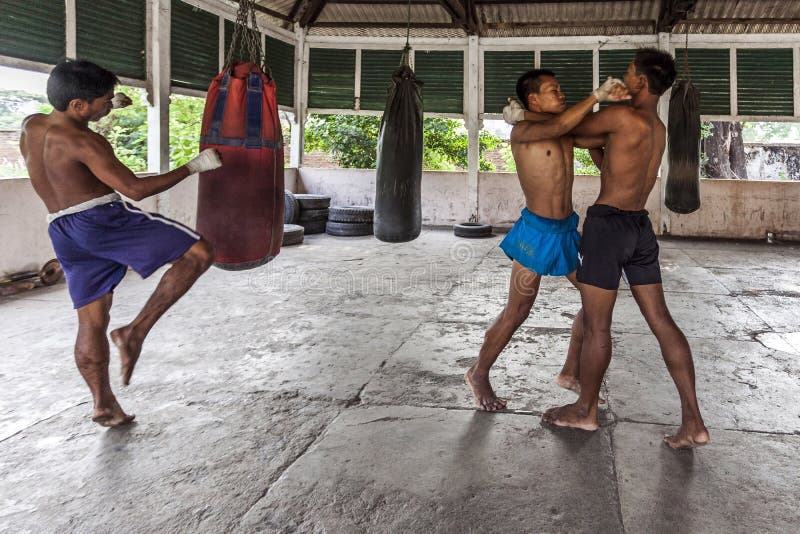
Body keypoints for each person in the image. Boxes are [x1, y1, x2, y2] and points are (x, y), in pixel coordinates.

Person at [19, 60, 223, 427]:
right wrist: (196, 166)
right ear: (79, 105)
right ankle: (135, 331)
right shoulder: (86, 141)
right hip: (101, 220)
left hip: (62, 229)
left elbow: (77, 121)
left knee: (91, 321)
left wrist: (111, 104)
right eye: (104, 101)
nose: (108, 106)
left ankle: (103, 404)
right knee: (199, 252)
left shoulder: (32, 125)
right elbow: (135, 190)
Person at [540, 48, 710, 449]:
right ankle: (693, 422)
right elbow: (608, 161)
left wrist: (596, 102)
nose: (624, 77)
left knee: (597, 323)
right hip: (639, 228)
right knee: (662, 321)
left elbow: (569, 132)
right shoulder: (657, 127)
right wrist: (600, 128)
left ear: (641, 83)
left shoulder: (620, 116)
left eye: (629, 73)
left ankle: (585, 411)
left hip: (608, 226)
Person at [465, 71, 628, 410]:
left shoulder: (561, 128)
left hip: (566, 233)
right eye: (554, 90)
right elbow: (553, 128)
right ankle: (479, 372)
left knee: (593, 299)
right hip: (535, 236)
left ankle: (570, 372)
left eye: (562, 87)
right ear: (534, 99)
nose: (562, 93)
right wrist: (597, 96)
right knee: (518, 309)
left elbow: (588, 137)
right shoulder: (524, 131)